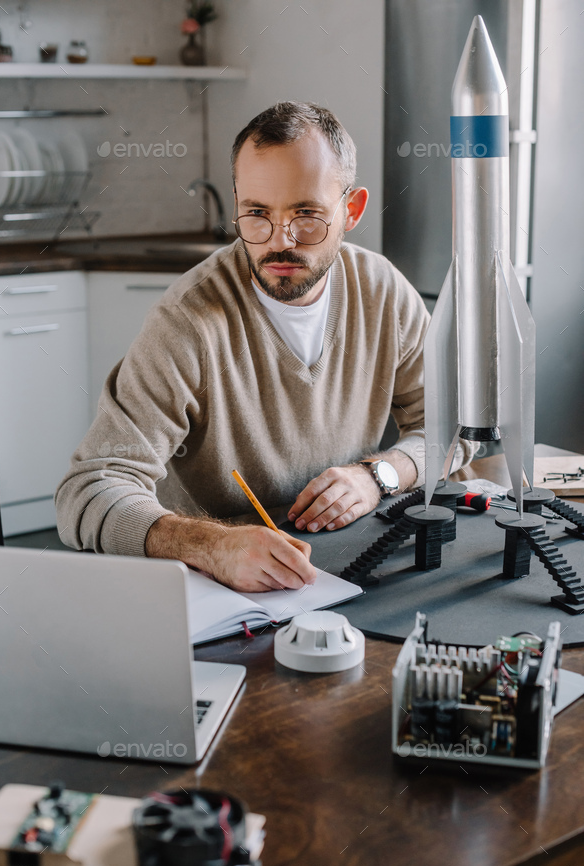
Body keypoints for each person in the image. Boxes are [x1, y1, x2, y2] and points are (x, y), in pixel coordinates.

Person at [55, 101, 476, 593]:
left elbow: (454, 426)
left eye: (307, 215)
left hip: (353, 563)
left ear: (352, 210)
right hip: (219, 588)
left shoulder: (382, 291)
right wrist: (212, 545)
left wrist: (380, 474)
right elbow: (86, 491)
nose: (280, 242)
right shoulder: (187, 321)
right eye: (257, 214)